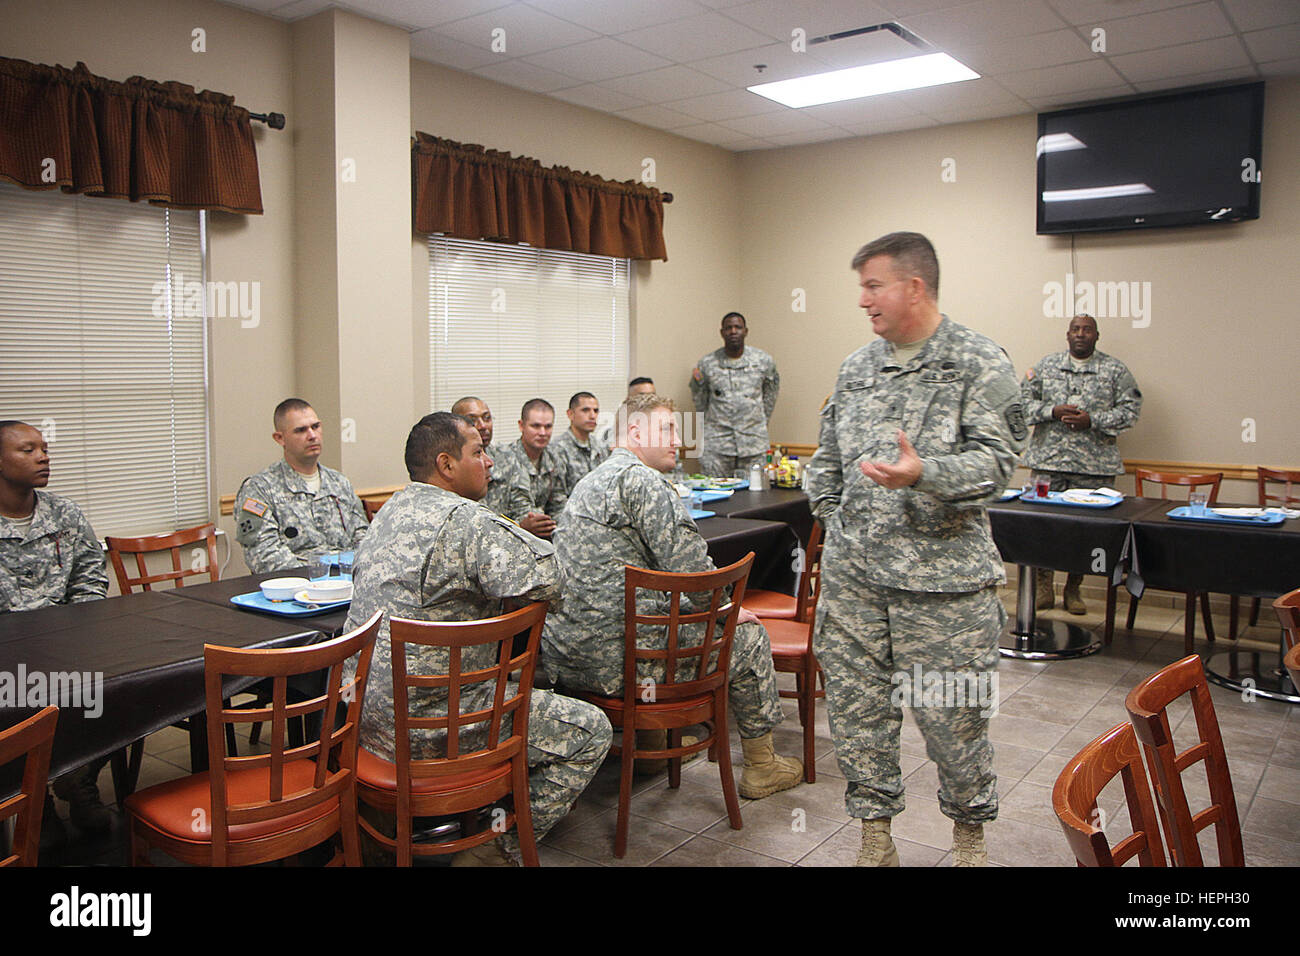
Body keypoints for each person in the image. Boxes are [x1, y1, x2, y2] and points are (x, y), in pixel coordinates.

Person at [807, 232, 1025, 867]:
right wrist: (834, 516)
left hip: (945, 590)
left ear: (914, 287)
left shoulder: (978, 360)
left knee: (953, 725)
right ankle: (876, 841)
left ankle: (969, 842)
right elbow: (827, 462)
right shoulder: (855, 368)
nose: (863, 300)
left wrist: (924, 473)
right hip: (855, 586)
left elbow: (996, 466)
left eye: (873, 286)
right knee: (857, 715)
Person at [344, 411, 611, 865]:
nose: (489, 462)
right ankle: (495, 844)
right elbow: (552, 576)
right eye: (478, 453)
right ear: (446, 465)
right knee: (591, 732)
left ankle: (383, 829)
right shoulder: (466, 521)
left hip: (363, 721)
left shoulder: (391, 508)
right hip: (434, 728)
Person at [543, 392, 803, 799]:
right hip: (621, 663)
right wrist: (729, 611)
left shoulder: (592, 479)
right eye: (666, 428)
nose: (677, 439)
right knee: (749, 637)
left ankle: (649, 750)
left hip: (568, 657)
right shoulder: (645, 482)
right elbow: (695, 577)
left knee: (659, 613)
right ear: (633, 432)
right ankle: (762, 766)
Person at [0, 420, 113, 839]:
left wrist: (76, 626)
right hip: (7, 656)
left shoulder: (64, 512)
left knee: (122, 691)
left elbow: (90, 575)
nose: (43, 456)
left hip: (68, 646)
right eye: (27, 450)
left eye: (44, 448)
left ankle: (78, 777)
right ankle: (34, 802)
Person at [1021, 314, 1143, 613]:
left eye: (1087, 330)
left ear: (1096, 336)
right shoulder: (1046, 367)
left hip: (1094, 467)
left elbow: (1132, 410)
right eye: (1075, 329)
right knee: (1041, 528)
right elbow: (1020, 405)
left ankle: (1074, 590)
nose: (1080, 334)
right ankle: (1044, 587)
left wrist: (1094, 420)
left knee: (1085, 533)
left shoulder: (1114, 370)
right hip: (1048, 463)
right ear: (1067, 335)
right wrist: (1052, 410)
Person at [234, 398, 368, 573]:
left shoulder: (339, 483)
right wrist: (318, 578)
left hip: (347, 583)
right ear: (280, 438)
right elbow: (264, 556)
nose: (312, 435)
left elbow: (363, 538)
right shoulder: (260, 489)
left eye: (316, 427)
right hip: (295, 588)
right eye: (301, 430)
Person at [690, 312, 779, 478]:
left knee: (756, 498)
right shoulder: (706, 364)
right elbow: (699, 399)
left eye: (738, 327)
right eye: (728, 328)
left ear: (746, 331)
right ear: (722, 332)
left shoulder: (763, 361)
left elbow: (771, 394)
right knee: (715, 496)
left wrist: (757, 422)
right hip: (717, 445)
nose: (733, 331)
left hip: (754, 444)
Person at [490, 399, 567, 540]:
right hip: (508, 537)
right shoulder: (504, 459)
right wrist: (521, 525)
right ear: (521, 425)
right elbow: (494, 513)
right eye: (536, 426)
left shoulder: (554, 458)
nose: (543, 432)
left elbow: (558, 503)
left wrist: (555, 525)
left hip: (546, 536)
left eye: (548, 426)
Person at [450, 396, 509, 513]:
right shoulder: (454, 464)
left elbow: (520, 504)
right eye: (472, 421)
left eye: (487, 418)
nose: (483, 426)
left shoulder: (507, 457)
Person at [551, 392, 610, 496]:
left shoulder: (599, 447)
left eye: (595, 411)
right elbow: (557, 497)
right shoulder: (558, 449)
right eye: (585, 410)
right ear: (570, 414)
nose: (592, 416)